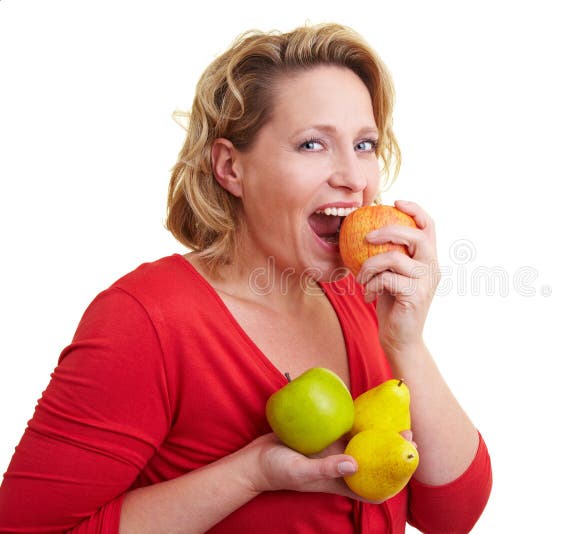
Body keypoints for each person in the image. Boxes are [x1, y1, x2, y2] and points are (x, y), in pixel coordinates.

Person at [0, 23, 492, 533]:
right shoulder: (147, 320)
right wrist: (251, 474)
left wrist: (406, 342)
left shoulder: (359, 294)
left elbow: (451, 515)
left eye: (365, 144)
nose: (353, 175)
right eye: (311, 145)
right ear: (231, 167)